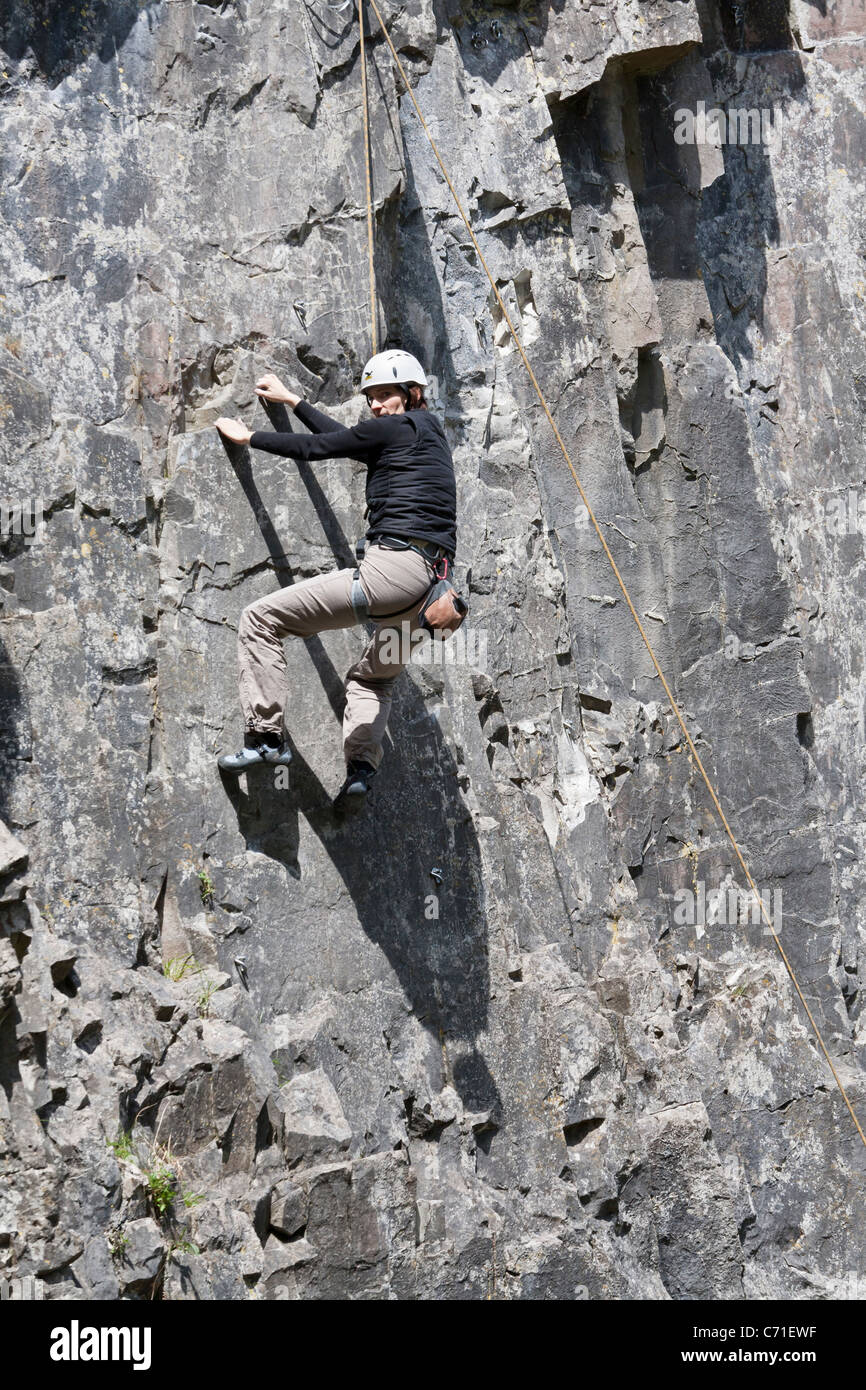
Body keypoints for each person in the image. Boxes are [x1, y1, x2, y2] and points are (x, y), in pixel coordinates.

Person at [214, 350, 458, 811]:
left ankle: (266, 738)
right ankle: (362, 769)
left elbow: (322, 448)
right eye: (371, 398)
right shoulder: (427, 435)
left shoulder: (398, 428)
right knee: (373, 679)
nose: (376, 405)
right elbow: (349, 439)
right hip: (431, 599)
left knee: (260, 619)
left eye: (385, 394)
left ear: (413, 393)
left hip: (392, 576)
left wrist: (250, 437)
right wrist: (294, 401)